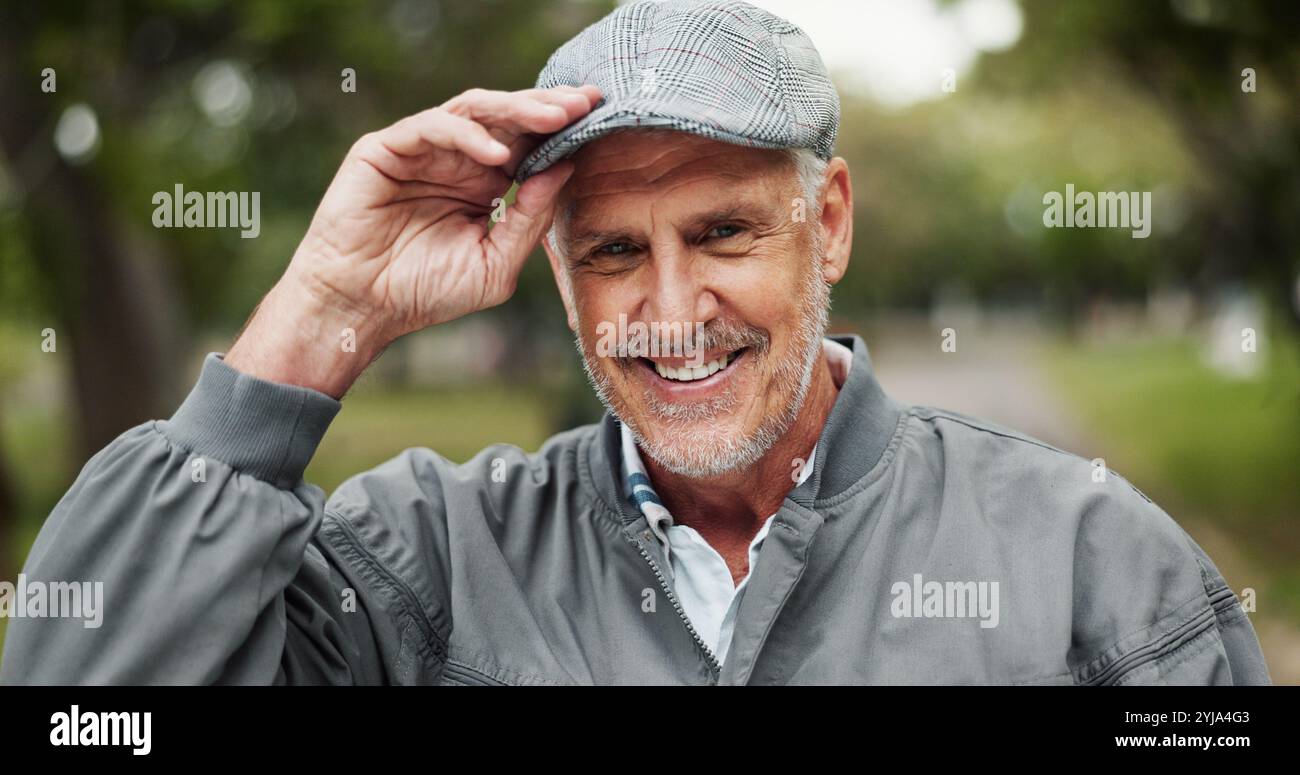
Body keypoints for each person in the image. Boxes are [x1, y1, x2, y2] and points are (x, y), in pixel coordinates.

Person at [0, 0, 1269, 685]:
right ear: (552, 266)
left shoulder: (1088, 565)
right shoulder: (418, 568)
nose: (668, 308)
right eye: (613, 249)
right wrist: (325, 310)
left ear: (824, 225)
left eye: (721, 232)